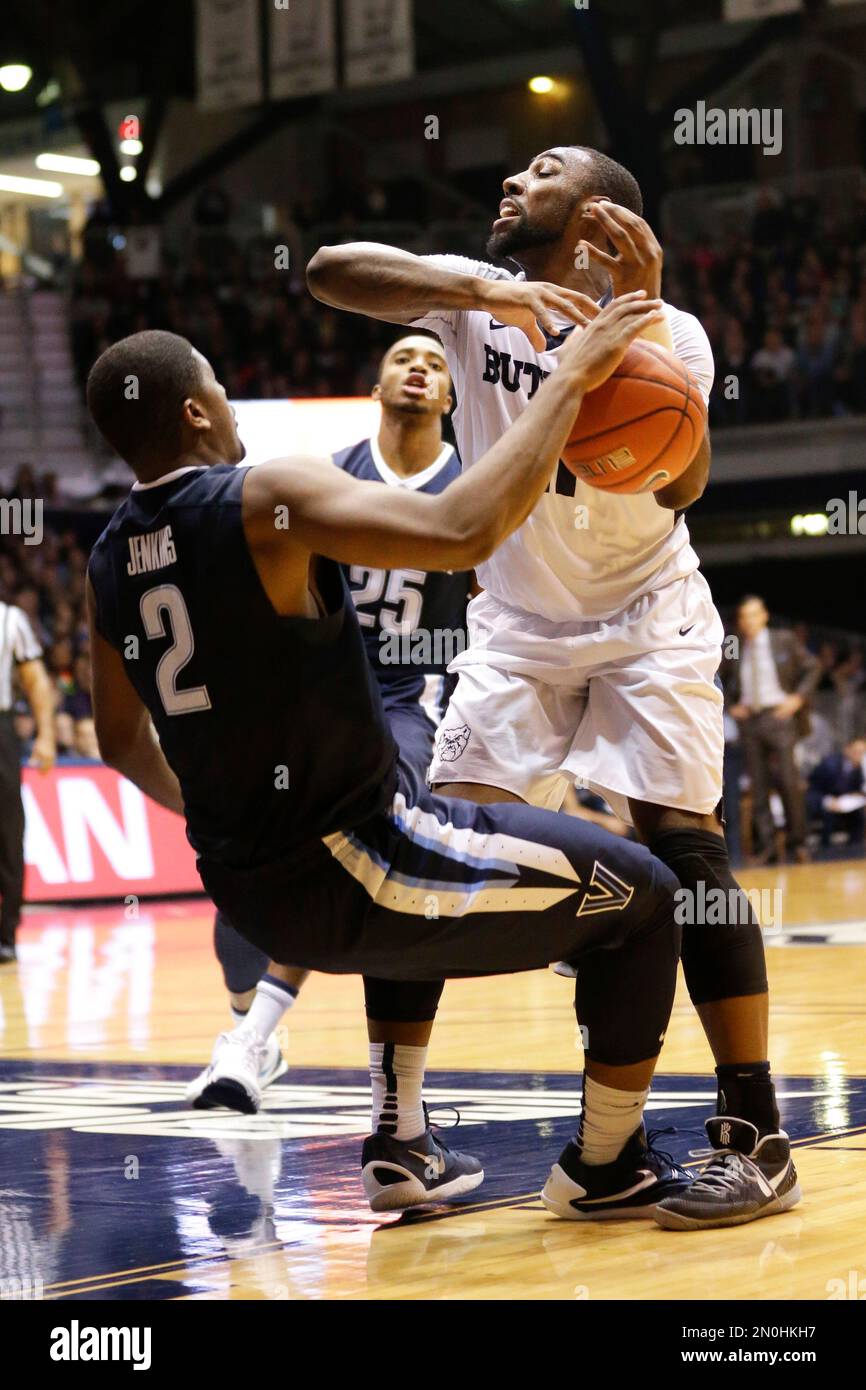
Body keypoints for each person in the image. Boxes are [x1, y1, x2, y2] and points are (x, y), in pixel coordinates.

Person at [83, 309, 707, 1228]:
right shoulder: (262, 500)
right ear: (196, 413)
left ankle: (403, 1145)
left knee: (442, 852)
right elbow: (461, 532)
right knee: (647, 897)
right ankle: (605, 1165)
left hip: (249, 891)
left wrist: (211, 809)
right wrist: (570, 382)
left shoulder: (105, 560)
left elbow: (118, 740)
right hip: (363, 863)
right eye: (217, 385)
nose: (227, 400)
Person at [306, 143, 802, 1229]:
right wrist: (471, 284)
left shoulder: (665, 328)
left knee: (683, 843)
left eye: (540, 169)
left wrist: (640, 335)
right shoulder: (477, 304)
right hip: (516, 622)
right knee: (431, 848)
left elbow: (682, 480)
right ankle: (398, 1130)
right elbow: (329, 270)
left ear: (597, 220)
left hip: (643, 616)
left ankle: (754, 1131)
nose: (508, 181)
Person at [187, 335, 482, 1211]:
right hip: (325, 686)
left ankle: (253, 1039)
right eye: (402, 354)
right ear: (378, 382)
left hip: (411, 696)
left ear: (452, 396)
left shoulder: (468, 484)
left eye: (435, 358)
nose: (420, 366)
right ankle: (255, 1024)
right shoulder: (329, 476)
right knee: (253, 872)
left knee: (368, 832)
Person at [723, 596, 820, 865]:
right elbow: (720, 674)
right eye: (744, 616)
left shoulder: (784, 638)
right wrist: (731, 706)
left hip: (779, 717)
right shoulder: (733, 643)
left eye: (754, 615)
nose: (749, 621)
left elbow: (812, 666)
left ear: (764, 616)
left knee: (789, 782)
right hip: (751, 720)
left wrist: (797, 699)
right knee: (758, 785)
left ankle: (798, 844)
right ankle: (766, 847)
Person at [0, 598, 56, 962]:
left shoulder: (9, 618)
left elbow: (36, 680)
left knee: (8, 833)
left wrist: (47, 735)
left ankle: (6, 934)